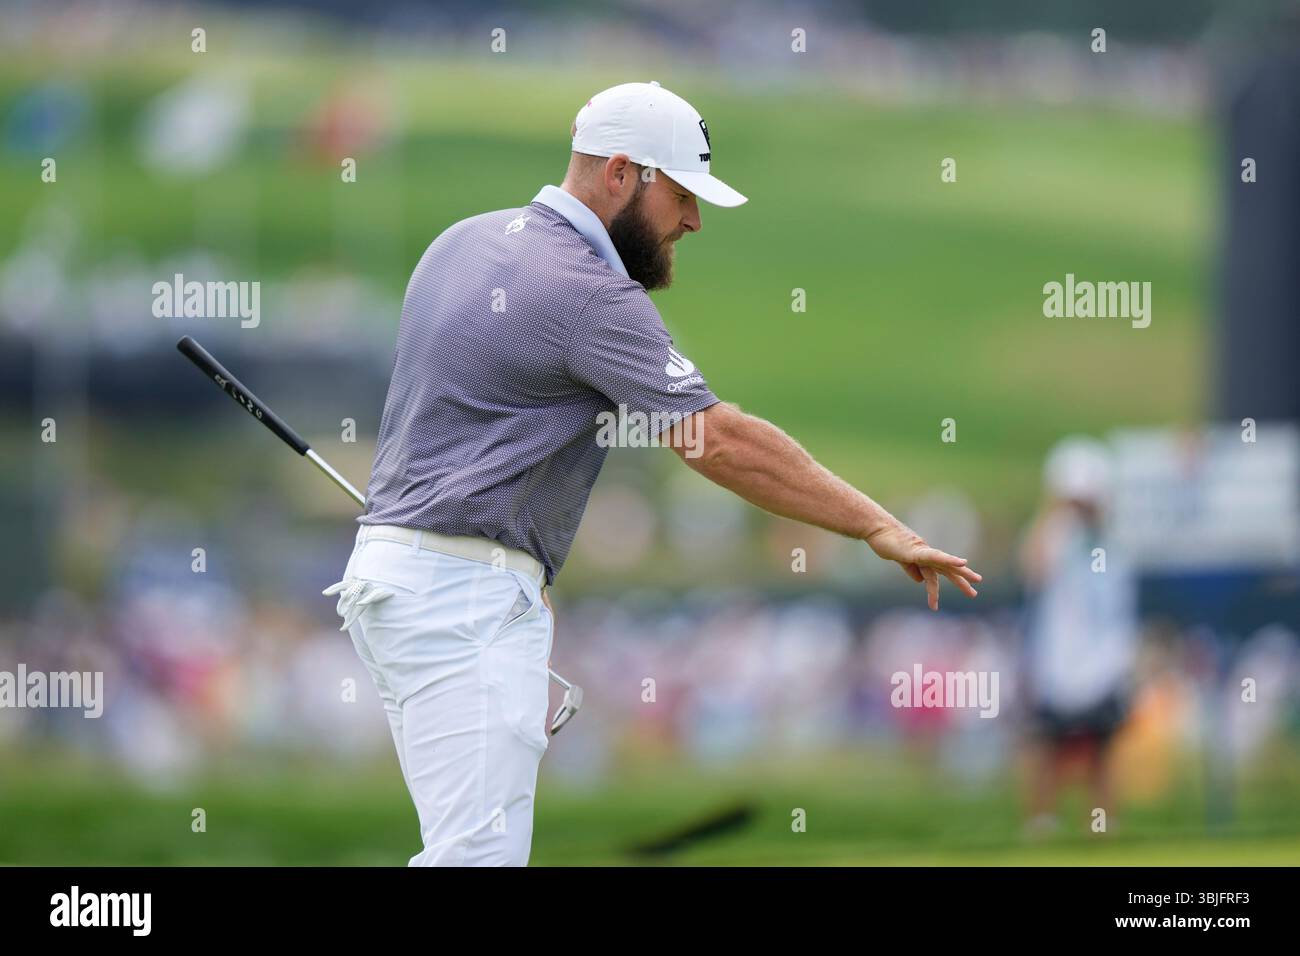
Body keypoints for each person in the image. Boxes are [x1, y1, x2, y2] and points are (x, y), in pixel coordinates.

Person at [325, 81, 982, 866]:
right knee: (477, 860)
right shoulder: (589, 294)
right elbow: (718, 439)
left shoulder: (457, 243)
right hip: (461, 597)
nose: (693, 220)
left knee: (465, 851)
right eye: (680, 195)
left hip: (392, 577)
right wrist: (877, 524)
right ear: (621, 174)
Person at [1019, 436, 1138, 836]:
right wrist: (1056, 511)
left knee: (1102, 751)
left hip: (1105, 659)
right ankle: (1042, 825)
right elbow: (1034, 569)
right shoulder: (1056, 535)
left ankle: (1102, 826)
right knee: (1048, 747)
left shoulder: (1114, 538)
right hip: (1058, 660)